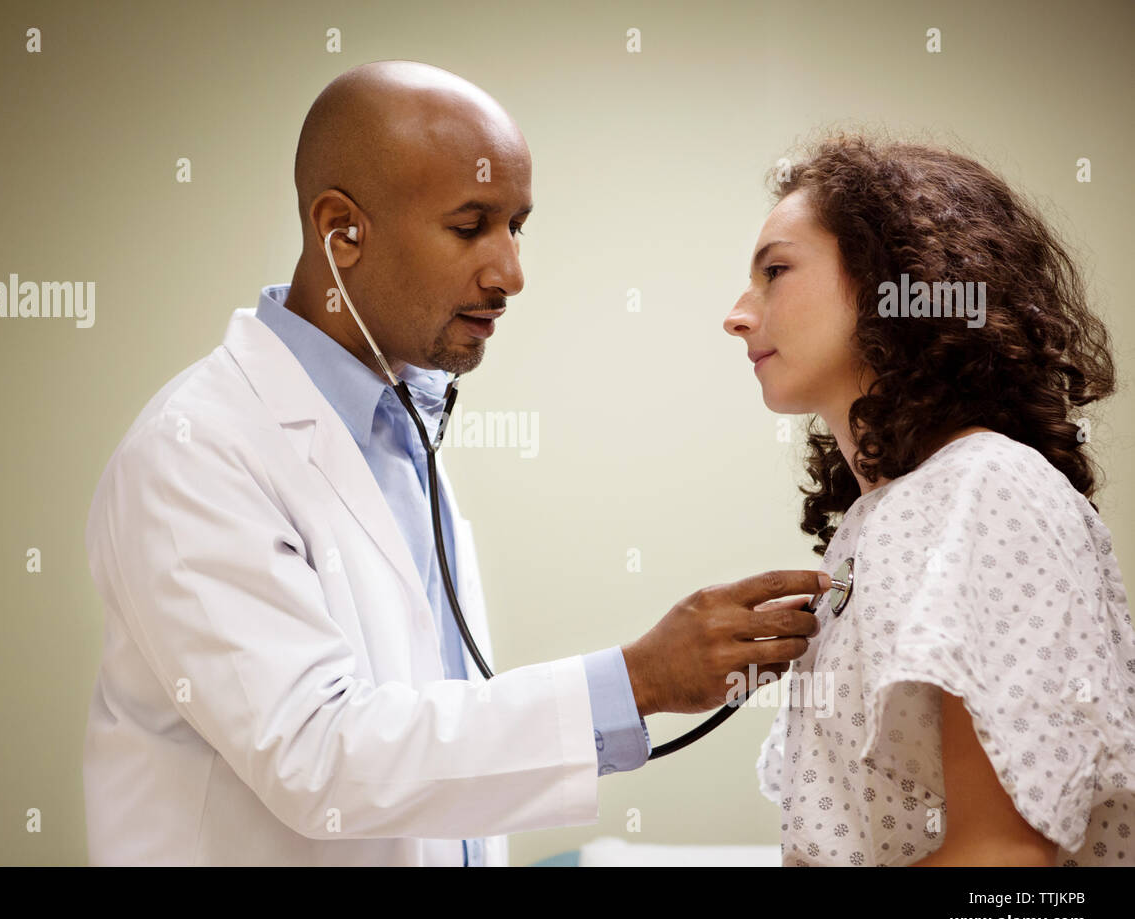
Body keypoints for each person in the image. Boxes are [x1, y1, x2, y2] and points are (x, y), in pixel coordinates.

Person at [81, 59, 828, 866]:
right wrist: (635, 681)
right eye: (471, 226)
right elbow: (319, 757)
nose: (509, 273)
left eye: (518, 227)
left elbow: (427, 739)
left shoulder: (395, 423)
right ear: (342, 232)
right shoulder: (197, 451)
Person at [725, 133, 1135, 866]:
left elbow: (1005, 868)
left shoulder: (990, 488)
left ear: (896, 284)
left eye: (776, 272)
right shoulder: (878, 519)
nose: (737, 315)